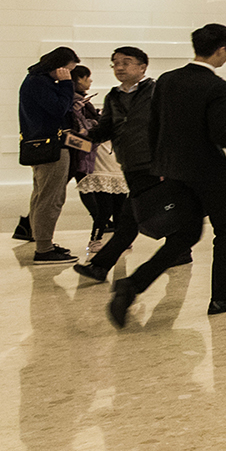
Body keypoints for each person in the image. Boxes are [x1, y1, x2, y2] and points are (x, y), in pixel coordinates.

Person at [109, 24, 226, 326]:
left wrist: (160, 166)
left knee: (185, 235)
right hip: (209, 173)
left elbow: (154, 126)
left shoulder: (167, 80)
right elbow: (218, 132)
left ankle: (132, 286)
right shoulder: (218, 87)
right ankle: (222, 297)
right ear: (220, 50)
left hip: (175, 171)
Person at [76, 48, 158, 283]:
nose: (119, 67)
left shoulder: (155, 92)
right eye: (115, 63)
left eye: (126, 62)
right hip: (129, 164)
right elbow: (104, 130)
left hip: (152, 164)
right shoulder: (113, 96)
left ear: (142, 67)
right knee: (137, 216)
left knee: (130, 218)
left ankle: (100, 266)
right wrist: (80, 137)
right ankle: (181, 249)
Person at [16, 46, 81, 263]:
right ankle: (43, 249)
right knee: (50, 198)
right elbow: (58, 109)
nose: (70, 75)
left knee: (41, 195)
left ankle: (44, 242)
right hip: (52, 147)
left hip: (41, 145)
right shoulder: (39, 82)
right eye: (69, 71)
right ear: (59, 67)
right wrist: (66, 85)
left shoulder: (35, 81)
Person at [68, 66, 128, 255]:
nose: (91, 81)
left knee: (117, 209)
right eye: (88, 77)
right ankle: (96, 240)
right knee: (105, 210)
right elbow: (78, 138)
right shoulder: (77, 105)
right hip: (99, 165)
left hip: (114, 166)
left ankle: (119, 240)